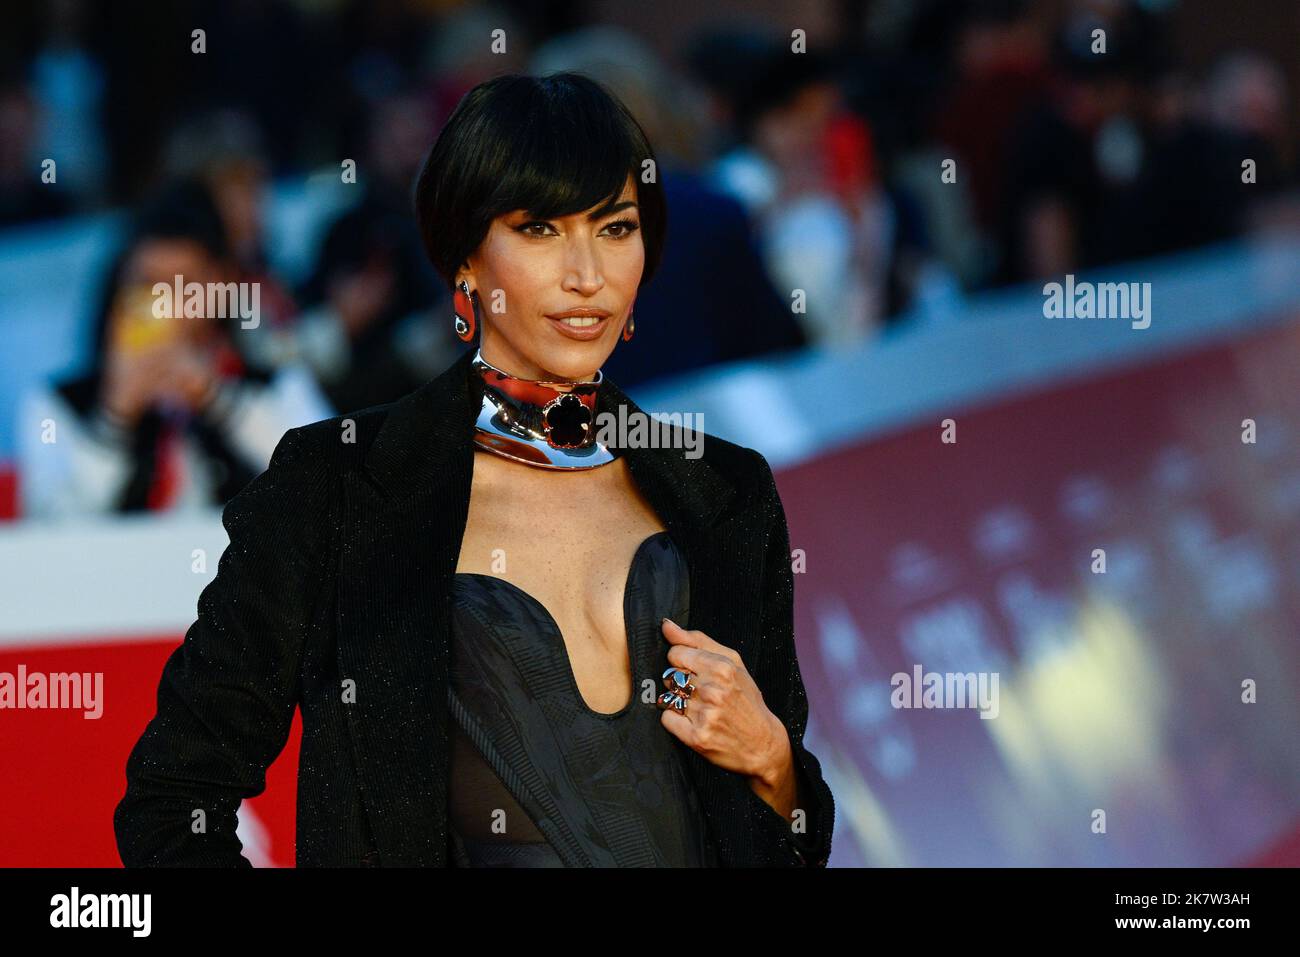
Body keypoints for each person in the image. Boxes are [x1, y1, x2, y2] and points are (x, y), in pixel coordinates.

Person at [114, 73, 834, 867]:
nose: (587, 275)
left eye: (615, 227)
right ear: (465, 257)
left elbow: (786, 841)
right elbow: (174, 799)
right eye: (539, 229)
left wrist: (772, 760)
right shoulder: (338, 488)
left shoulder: (724, 490)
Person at [17, 180, 333, 519]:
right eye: (148, 284)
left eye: (184, 285)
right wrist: (114, 421)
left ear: (220, 286)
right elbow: (52, 532)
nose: (164, 303)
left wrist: (218, 401)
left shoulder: (277, 385)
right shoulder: (58, 404)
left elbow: (329, 490)